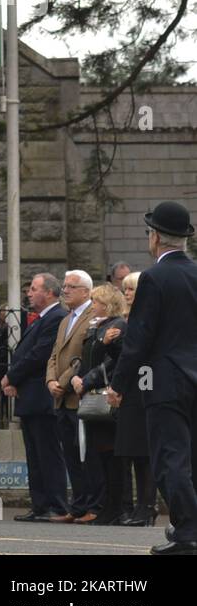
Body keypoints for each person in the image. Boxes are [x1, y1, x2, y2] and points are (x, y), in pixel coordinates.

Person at [107, 201, 197, 555]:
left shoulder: (154, 278)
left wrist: (118, 385)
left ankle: (188, 529)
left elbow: (139, 338)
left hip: (166, 380)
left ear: (156, 237)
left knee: (169, 457)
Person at [5, 272, 70, 522]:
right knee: (34, 454)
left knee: (48, 453)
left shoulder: (56, 317)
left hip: (42, 397)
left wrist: (11, 376)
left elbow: (39, 354)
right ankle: (40, 504)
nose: (29, 293)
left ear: (50, 292)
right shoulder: (40, 318)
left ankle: (56, 504)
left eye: (34, 289)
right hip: (30, 398)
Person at [45, 270, 101, 523]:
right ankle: (77, 505)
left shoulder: (93, 317)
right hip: (61, 398)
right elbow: (55, 355)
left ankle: (92, 505)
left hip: (78, 396)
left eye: (71, 286)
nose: (65, 290)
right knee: (69, 454)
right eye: (64, 285)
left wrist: (63, 382)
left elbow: (84, 357)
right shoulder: (66, 319)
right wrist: (50, 381)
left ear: (86, 291)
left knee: (85, 454)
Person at [72, 284, 127, 524]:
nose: (92, 306)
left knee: (113, 456)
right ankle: (107, 505)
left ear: (107, 304)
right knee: (101, 455)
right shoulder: (96, 327)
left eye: (96, 301)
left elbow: (111, 362)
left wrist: (86, 380)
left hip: (105, 395)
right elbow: (85, 356)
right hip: (90, 393)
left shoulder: (117, 326)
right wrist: (75, 374)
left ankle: (117, 506)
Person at [113, 271, 156, 526]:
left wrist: (117, 385)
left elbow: (134, 354)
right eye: (126, 290)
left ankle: (146, 506)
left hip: (141, 389)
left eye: (132, 290)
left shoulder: (142, 320)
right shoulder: (126, 320)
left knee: (143, 453)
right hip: (130, 391)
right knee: (132, 452)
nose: (127, 294)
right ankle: (139, 507)